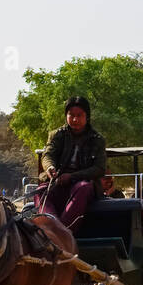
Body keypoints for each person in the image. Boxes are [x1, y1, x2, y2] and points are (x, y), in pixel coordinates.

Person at [39, 96, 105, 229]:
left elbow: (99, 168)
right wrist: (50, 167)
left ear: (87, 117)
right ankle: (51, 228)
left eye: (79, 115)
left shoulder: (97, 139)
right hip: (58, 182)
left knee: (82, 187)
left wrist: (73, 176)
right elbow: (47, 155)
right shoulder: (56, 135)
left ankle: (62, 231)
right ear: (66, 116)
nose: (75, 119)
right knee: (40, 191)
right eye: (71, 115)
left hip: (82, 184)